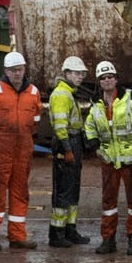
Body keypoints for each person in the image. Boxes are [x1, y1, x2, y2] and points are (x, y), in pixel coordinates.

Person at [83, 60, 132, 256]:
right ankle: (108, 240)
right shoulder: (96, 103)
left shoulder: (131, 98)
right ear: (99, 81)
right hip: (109, 161)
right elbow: (89, 126)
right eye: (103, 78)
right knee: (108, 203)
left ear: (116, 79)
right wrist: (94, 144)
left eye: (110, 77)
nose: (107, 80)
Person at [0, 50, 42, 250]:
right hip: (0, 150)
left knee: (20, 192)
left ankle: (17, 235)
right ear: (6, 71)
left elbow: (36, 122)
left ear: (24, 70)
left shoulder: (33, 92)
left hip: (22, 150)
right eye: (13, 70)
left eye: (20, 70)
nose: (17, 74)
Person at [45, 55, 92, 247]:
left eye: (82, 73)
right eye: (77, 73)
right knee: (64, 192)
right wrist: (67, 149)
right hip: (67, 145)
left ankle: (70, 230)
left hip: (73, 144)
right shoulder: (61, 95)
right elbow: (60, 125)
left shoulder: (68, 93)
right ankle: (57, 234)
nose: (80, 77)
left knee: (73, 190)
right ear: (66, 73)